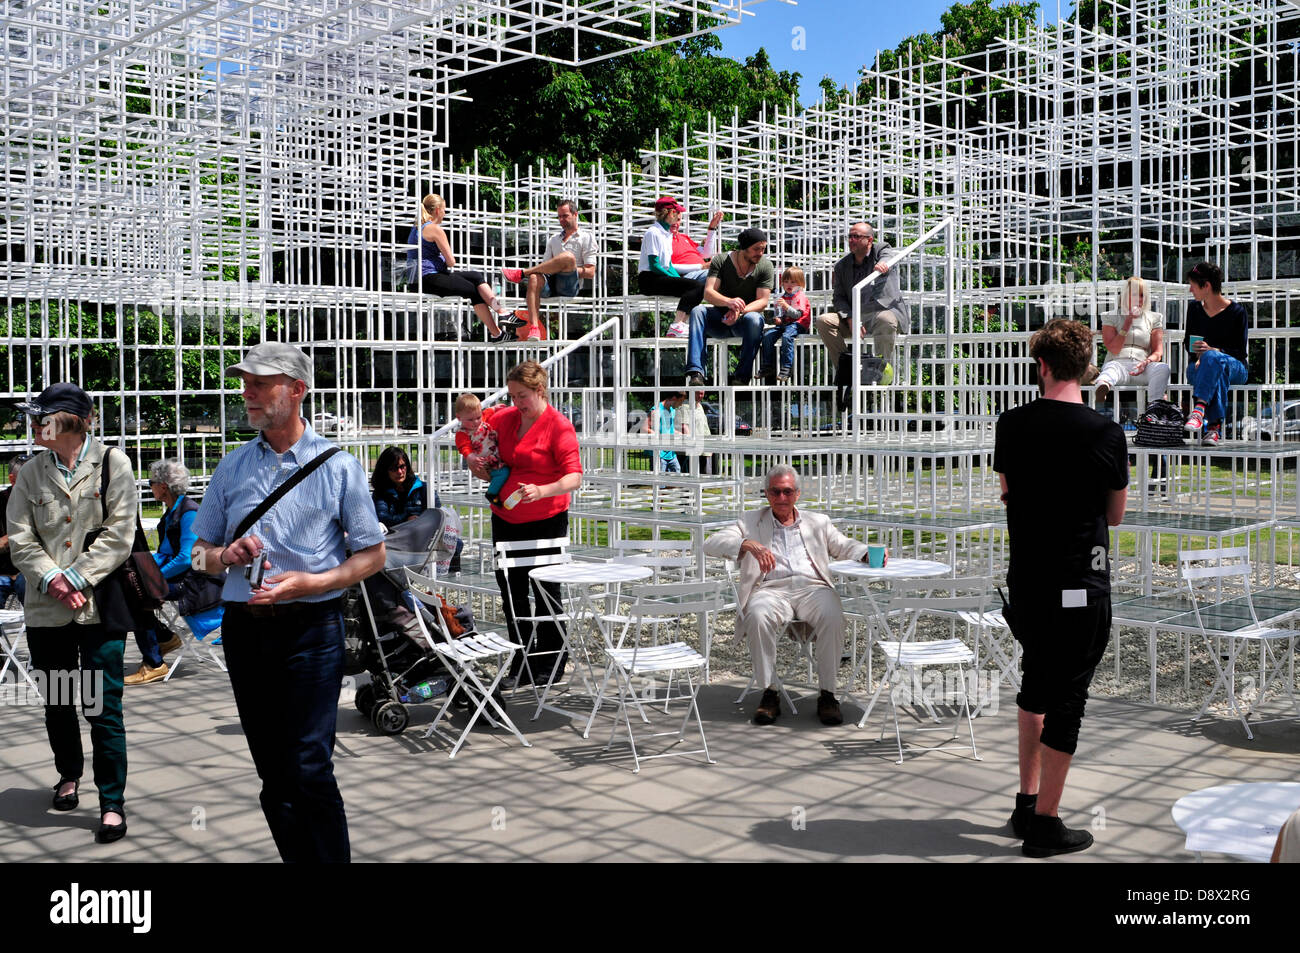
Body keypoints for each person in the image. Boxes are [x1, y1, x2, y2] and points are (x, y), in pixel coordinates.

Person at [192, 342, 386, 863]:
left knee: (308, 764)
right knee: (272, 771)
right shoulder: (231, 468)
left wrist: (313, 582)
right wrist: (223, 555)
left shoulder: (339, 467)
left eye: (261, 382)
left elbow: (373, 556)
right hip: (245, 630)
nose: (247, 392)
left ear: (297, 390)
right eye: (246, 382)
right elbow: (198, 553)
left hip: (311, 630)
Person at [994, 318, 1128, 858]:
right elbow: (1115, 516)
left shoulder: (1012, 424)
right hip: (1080, 581)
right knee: (1068, 698)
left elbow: (1006, 491)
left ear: (1042, 365)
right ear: (1085, 366)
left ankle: (1026, 803)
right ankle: (1046, 823)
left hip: (1027, 581)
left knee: (1035, 684)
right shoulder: (1104, 433)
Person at [6, 383, 137, 844]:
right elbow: (19, 537)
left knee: (103, 706)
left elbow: (121, 535)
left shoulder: (113, 464)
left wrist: (77, 577)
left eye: (44, 417)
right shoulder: (30, 473)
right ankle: (68, 774)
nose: (35, 425)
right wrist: (52, 579)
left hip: (98, 608)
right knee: (57, 701)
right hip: (46, 608)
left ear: (74, 420)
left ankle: (112, 802)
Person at [703, 464, 870, 727]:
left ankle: (828, 694)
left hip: (812, 587)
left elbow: (843, 544)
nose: (782, 498)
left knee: (833, 615)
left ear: (798, 494)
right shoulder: (749, 521)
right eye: (775, 491)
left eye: (787, 491)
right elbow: (709, 544)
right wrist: (745, 543)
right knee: (756, 615)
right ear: (767, 494)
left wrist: (865, 552)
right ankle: (769, 692)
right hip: (771, 589)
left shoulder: (818, 522)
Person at [467, 361, 582, 684]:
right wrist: (473, 460)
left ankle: (551, 660)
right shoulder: (505, 418)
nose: (516, 402)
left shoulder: (558, 426)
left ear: (539, 390)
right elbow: (472, 433)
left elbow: (574, 477)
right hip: (505, 515)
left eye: (522, 396)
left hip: (547, 518)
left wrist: (542, 490)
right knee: (510, 591)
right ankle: (523, 655)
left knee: (546, 591)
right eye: (512, 396)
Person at [123, 459, 218, 685]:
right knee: (130, 587)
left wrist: (154, 577)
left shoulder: (189, 513)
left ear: (163, 486)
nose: (150, 487)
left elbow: (187, 558)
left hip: (196, 583)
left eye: (151, 483)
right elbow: (166, 552)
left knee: (139, 597)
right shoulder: (174, 510)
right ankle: (163, 639)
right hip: (182, 578)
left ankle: (155, 663)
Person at [408, 193, 516, 343]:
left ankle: (502, 313)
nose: (445, 214)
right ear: (438, 210)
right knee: (473, 289)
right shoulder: (434, 229)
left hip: (423, 277)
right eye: (445, 210)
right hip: (428, 278)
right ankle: (497, 332)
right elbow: (451, 262)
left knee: (475, 276)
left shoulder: (417, 227)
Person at [815, 222, 911, 386]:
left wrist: (884, 264)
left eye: (856, 236)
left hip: (882, 311)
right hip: (855, 316)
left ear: (869, 240)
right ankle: (847, 369)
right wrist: (851, 318)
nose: (851, 240)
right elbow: (839, 298)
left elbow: (889, 255)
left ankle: (882, 372)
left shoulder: (880, 250)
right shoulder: (841, 265)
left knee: (886, 320)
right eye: (850, 236)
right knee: (824, 320)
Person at [685, 228, 774, 387]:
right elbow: (708, 292)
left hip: (744, 322)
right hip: (720, 319)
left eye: (763, 249)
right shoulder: (721, 260)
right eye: (756, 249)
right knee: (698, 311)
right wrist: (728, 302)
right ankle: (696, 373)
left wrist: (739, 310)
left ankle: (741, 377)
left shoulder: (765, 265)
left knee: (754, 318)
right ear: (743, 248)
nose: (760, 253)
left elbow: (763, 301)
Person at [500, 199, 598, 340]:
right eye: (559, 216)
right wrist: (557, 267)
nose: (561, 219)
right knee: (534, 278)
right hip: (551, 283)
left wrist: (565, 266)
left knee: (568, 258)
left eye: (565, 216)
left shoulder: (586, 237)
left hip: (569, 284)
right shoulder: (554, 239)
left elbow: (590, 272)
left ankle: (522, 273)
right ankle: (534, 328)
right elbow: (544, 267)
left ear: (575, 214)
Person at [1183, 261, 1249, 447]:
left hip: (1236, 367)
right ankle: (1213, 428)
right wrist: (1200, 357)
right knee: (1213, 368)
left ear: (1207, 286)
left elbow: (1239, 351)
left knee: (1213, 360)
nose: (1190, 290)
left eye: (1193, 286)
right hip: (1198, 366)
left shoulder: (1237, 312)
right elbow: (1188, 344)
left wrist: (1214, 352)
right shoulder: (1194, 309)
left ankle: (1199, 409)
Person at [636, 197, 722, 338]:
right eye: (677, 213)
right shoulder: (653, 232)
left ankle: (680, 324)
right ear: (670, 213)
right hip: (649, 279)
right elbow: (654, 264)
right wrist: (673, 278)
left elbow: (668, 264)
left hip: (660, 276)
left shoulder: (667, 235)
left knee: (698, 287)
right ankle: (677, 324)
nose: (678, 218)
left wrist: (677, 279)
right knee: (696, 287)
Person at [1094, 276, 1171, 405]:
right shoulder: (1110, 316)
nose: (1139, 299)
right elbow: (1114, 349)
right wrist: (1128, 322)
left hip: (1142, 366)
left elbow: (1158, 352)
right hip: (1118, 362)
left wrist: (1146, 362)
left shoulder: (1154, 317)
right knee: (1111, 369)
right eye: (1135, 295)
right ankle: (1102, 387)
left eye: (1142, 295)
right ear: (1126, 295)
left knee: (1163, 368)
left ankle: (1154, 406)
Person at [454, 393, 510, 504]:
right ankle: (491, 493)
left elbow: (487, 412)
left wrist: (495, 408)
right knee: (503, 473)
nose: (475, 422)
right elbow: (464, 447)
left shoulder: (482, 417)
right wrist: (470, 457)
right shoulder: (462, 433)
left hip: (494, 454)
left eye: (478, 417)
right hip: (485, 461)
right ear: (459, 418)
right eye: (470, 420)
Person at [760, 266, 812, 384]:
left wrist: (786, 307)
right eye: (786, 281)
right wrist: (778, 319)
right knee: (767, 336)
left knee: (787, 336)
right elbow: (784, 316)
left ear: (800, 284)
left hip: (799, 324)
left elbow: (797, 315)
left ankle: (787, 367)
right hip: (787, 324)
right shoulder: (784, 297)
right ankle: (768, 365)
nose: (789, 284)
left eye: (793, 282)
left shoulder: (799, 296)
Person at [0, 453, 34, 605]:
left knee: (30, 586)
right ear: (12, 480)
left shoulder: (45, 503)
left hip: (32, 571)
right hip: (2, 571)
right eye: (32, 479)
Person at [371, 446, 428, 529]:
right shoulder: (380, 493)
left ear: (407, 466)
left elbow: (436, 514)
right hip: (395, 539)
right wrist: (406, 519)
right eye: (394, 468)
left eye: (402, 466)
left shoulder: (423, 489)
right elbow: (383, 519)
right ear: (385, 471)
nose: (399, 472)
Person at [643, 391, 690, 473]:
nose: (681, 405)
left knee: (676, 477)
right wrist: (659, 437)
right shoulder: (656, 410)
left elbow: (668, 429)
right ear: (674, 398)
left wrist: (680, 434)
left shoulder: (672, 410)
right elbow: (644, 429)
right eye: (681, 401)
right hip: (658, 453)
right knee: (660, 483)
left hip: (670, 452)